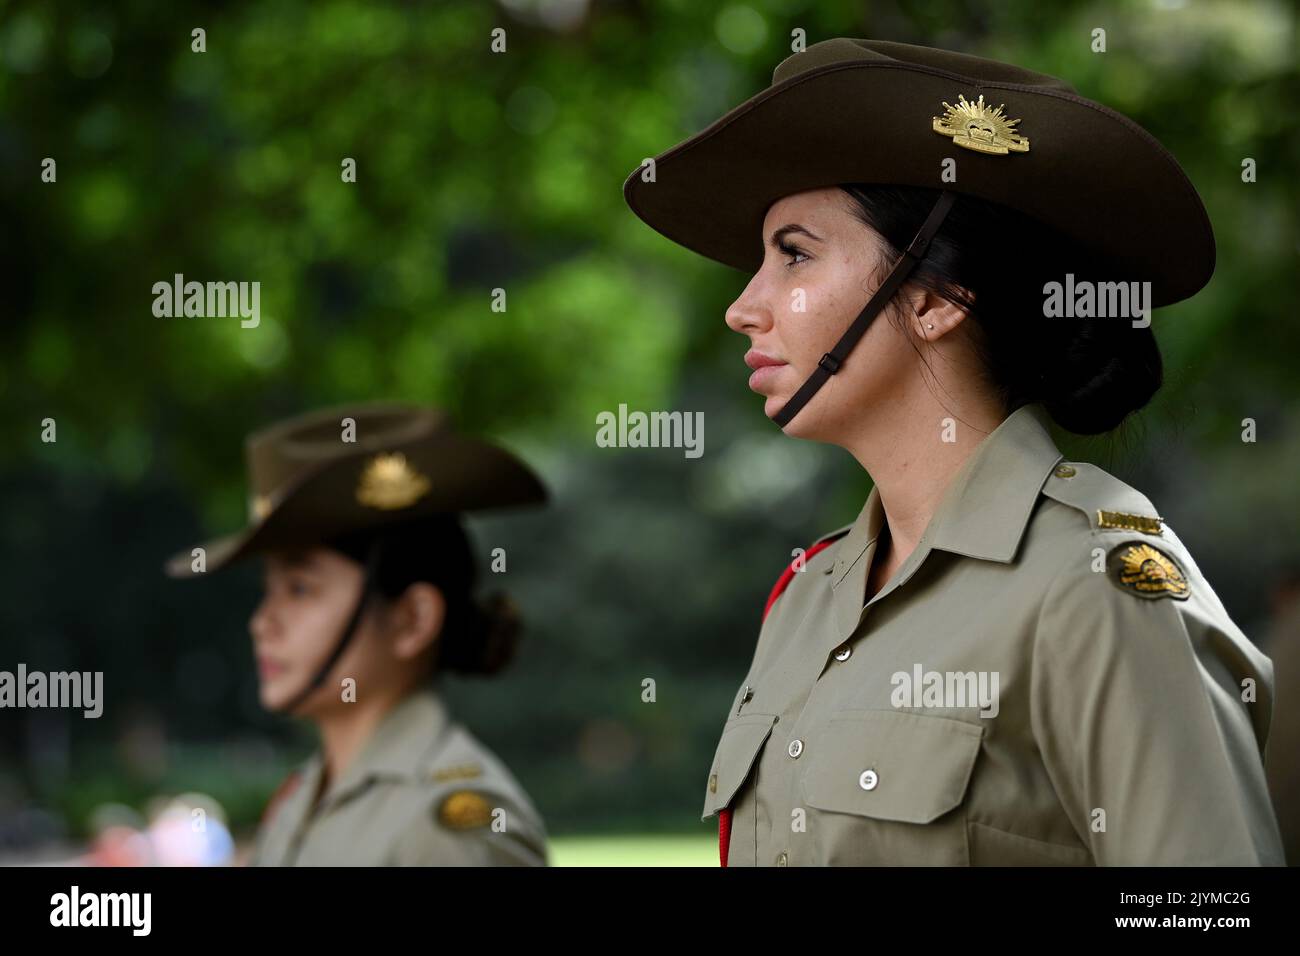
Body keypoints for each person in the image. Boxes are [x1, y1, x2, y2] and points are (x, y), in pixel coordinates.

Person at [624, 37, 1285, 865]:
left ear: (934, 299)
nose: (744, 307)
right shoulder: (809, 595)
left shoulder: (1099, 588)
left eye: (793, 254)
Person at [165, 403, 550, 865]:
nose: (263, 622)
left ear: (413, 620)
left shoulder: (448, 829)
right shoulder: (305, 796)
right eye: (269, 590)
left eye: (301, 588)